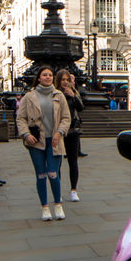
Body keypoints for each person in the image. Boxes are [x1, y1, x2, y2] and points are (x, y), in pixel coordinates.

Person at [15, 66, 71, 221]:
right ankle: (45, 207)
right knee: (41, 175)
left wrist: (60, 132)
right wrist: (26, 134)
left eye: (50, 75)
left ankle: (58, 204)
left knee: (53, 173)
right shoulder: (29, 96)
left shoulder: (59, 95)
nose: (48, 77)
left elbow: (66, 117)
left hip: (54, 140)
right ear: (39, 78)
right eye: (44, 75)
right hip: (36, 141)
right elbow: (21, 118)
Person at [55, 70, 85, 201]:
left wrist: (74, 96)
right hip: (58, 132)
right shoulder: (55, 93)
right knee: (57, 163)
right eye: (63, 80)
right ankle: (58, 191)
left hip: (72, 131)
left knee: (73, 162)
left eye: (67, 80)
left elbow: (81, 108)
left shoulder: (73, 93)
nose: (65, 82)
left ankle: (74, 190)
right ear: (58, 81)